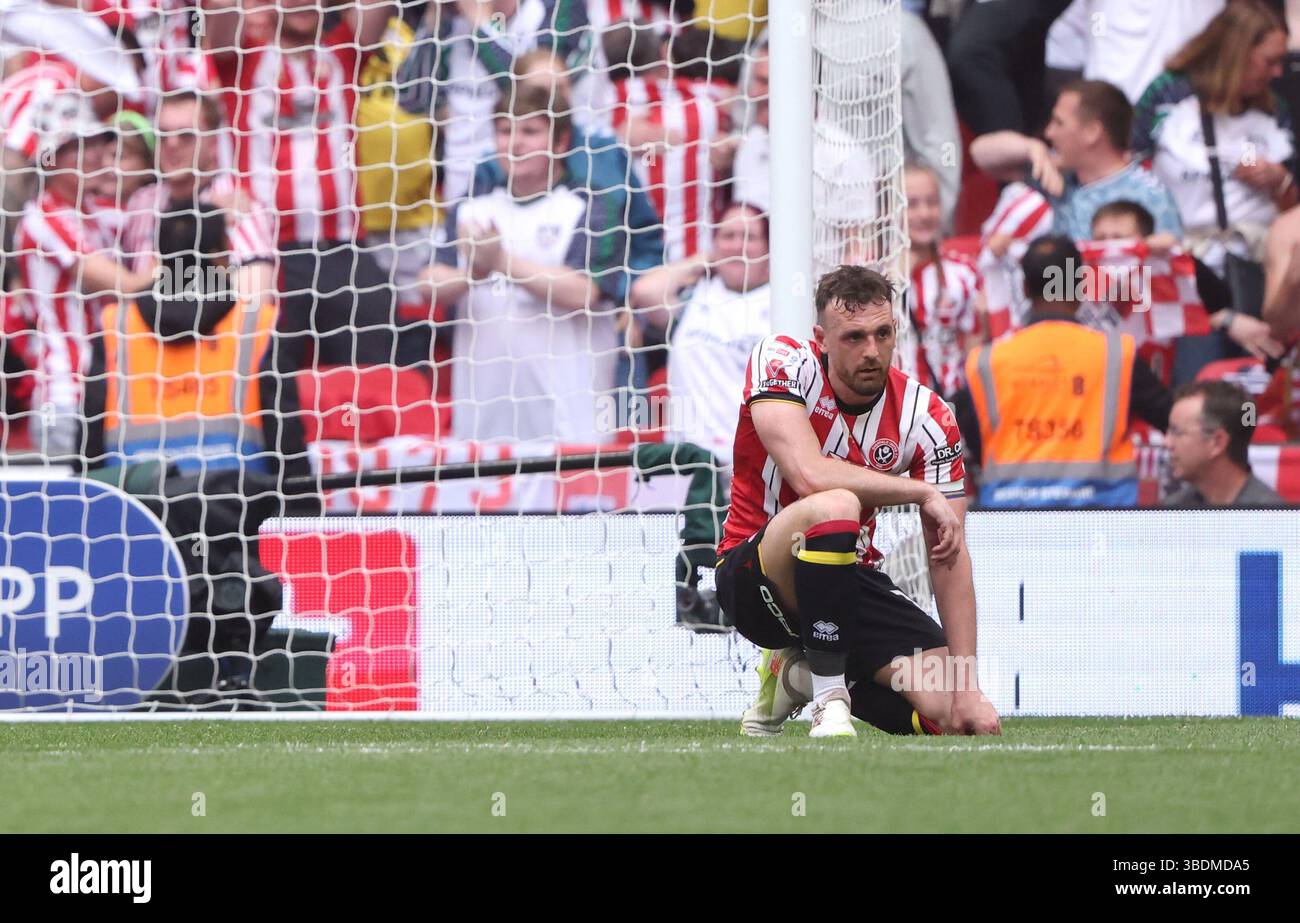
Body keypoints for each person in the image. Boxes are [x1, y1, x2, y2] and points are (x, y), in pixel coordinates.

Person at [716, 264, 1002, 739]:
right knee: (837, 505)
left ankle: (797, 676)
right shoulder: (783, 361)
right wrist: (918, 490)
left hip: (847, 581)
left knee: (957, 713)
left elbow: (949, 557)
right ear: (821, 338)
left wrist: (969, 686)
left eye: (882, 333)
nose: (871, 351)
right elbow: (809, 474)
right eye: (853, 337)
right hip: (756, 580)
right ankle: (830, 702)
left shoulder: (926, 417)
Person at [199, 0, 401, 368]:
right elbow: (220, 13)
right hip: (270, 256)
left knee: (370, 376)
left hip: (344, 251)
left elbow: (377, 7)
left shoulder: (345, 50)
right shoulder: (242, 59)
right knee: (273, 385)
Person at [440, 83, 627, 442]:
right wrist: (473, 274)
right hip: (484, 422)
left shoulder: (591, 206)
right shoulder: (471, 207)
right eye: (505, 131)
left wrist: (500, 261)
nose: (515, 143)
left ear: (560, 142)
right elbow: (430, 283)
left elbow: (583, 291)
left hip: (571, 423)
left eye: (529, 131)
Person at [83, 204, 308, 483]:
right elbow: (287, 442)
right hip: (239, 510)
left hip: (138, 509)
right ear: (222, 254)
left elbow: (88, 446)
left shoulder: (115, 326)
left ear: (158, 258)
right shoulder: (258, 324)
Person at [952, 235, 1174, 509]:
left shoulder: (986, 360)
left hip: (1010, 520)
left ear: (1023, 288)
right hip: (1103, 518)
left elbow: (961, 425)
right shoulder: (1116, 354)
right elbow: (1171, 418)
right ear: (1081, 284)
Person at [11, 92, 154, 458]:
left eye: (95, 143)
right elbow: (130, 287)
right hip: (62, 398)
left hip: (102, 393)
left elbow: (153, 209)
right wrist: (175, 272)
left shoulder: (96, 211)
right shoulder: (43, 218)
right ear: (50, 157)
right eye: (77, 146)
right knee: (67, 509)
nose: (92, 155)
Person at [1131, 1, 1295, 280]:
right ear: (1236, 53)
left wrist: (1280, 179)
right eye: (1270, 61)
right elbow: (1128, 167)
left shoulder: (1275, 110)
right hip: (1180, 256)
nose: (1278, 73)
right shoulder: (1168, 94)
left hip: (1255, 261)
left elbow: (1294, 209)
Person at [629, 201, 769, 464]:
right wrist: (705, 259)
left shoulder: (783, 305)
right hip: (685, 460)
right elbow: (643, 292)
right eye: (728, 236)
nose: (738, 245)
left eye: (749, 237)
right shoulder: (696, 295)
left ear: (768, 250)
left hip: (750, 463)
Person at [971, 79, 1184, 242]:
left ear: (1091, 132)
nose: (1049, 132)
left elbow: (1168, 280)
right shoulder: (1051, 172)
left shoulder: (1149, 197)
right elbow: (980, 153)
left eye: (1058, 123)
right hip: (1049, 292)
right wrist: (1031, 148)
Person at [119, 91, 276, 305]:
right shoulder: (142, 202)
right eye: (163, 135)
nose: (172, 144)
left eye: (186, 136)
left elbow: (254, 303)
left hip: (211, 336)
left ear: (212, 143)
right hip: (144, 333)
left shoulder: (239, 203)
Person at [903, 162, 984, 397]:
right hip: (889, 416)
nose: (925, 213)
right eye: (913, 204)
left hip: (947, 414)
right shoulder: (872, 276)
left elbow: (974, 348)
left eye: (932, 202)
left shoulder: (964, 272)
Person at [1163, 379, 1286, 507]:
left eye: (1177, 432)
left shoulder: (1271, 520)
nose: (1167, 443)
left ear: (1217, 442)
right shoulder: (1173, 511)